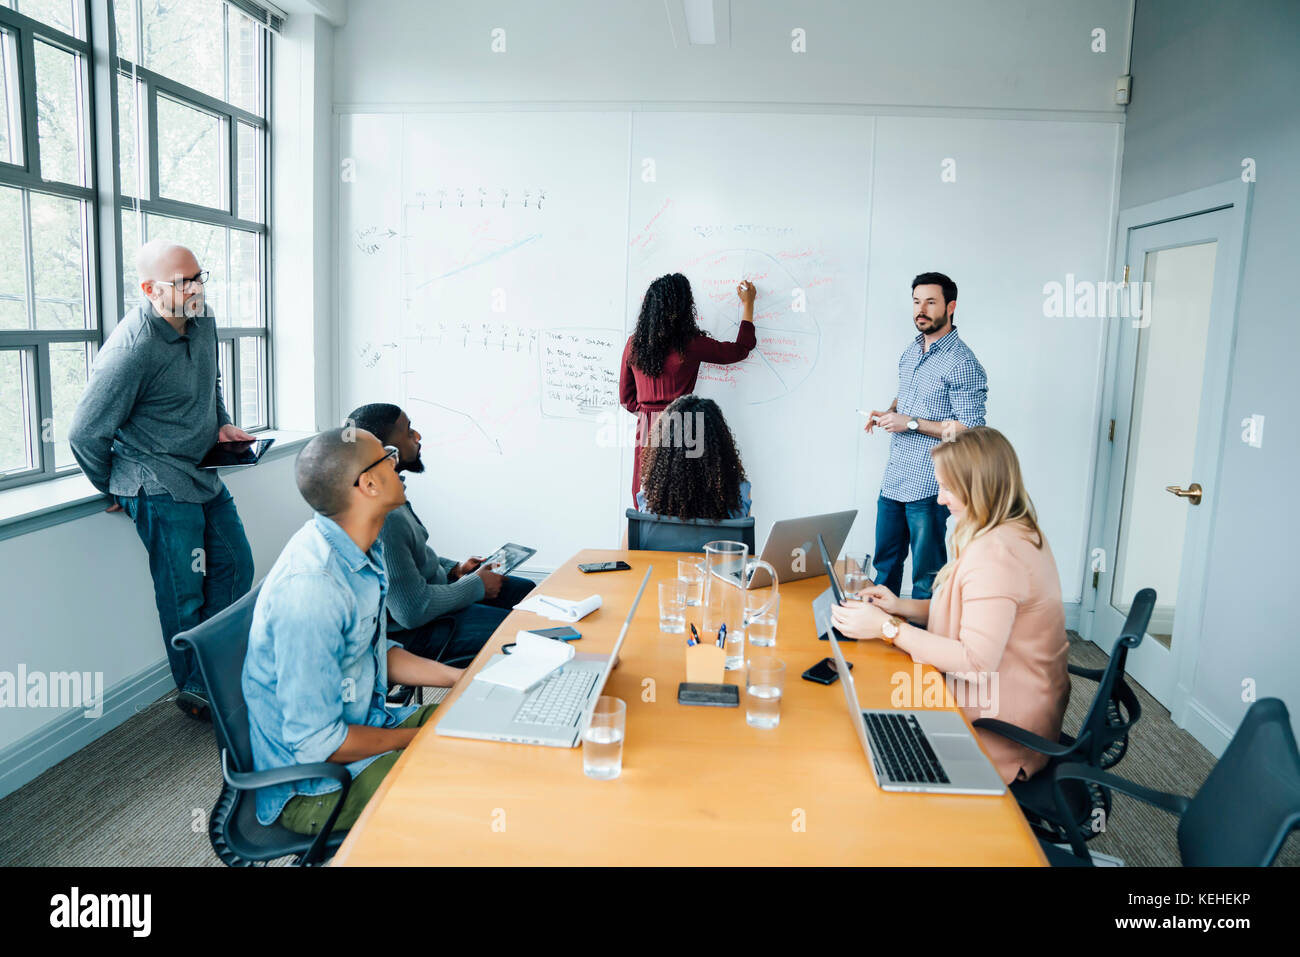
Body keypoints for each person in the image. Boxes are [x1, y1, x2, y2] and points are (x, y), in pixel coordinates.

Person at [242, 427, 465, 835]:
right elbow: (319, 743)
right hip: (319, 787)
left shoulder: (360, 546)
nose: (398, 464)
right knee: (471, 787)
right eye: (388, 457)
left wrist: (462, 679)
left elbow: (375, 653)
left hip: (373, 727)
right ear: (368, 483)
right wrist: (419, 738)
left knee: (485, 730)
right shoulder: (314, 587)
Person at [69, 240, 255, 720]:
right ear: (150, 289)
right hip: (155, 482)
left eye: (199, 276)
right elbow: (86, 431)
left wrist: (221, 424)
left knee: (237, 567)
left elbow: (210, 382)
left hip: (201, 470)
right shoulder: (132, 350)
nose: (195, 288)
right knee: (184, 592)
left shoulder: (202, 317)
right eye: (183, 281)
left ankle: (213, 676)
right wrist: (111, 486)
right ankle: (198, 692)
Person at [830, 427, 1070, 785]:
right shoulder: (1010, 530)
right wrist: (901, 607)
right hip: (1015, 703)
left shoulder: (997, 554)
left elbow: (974, 662)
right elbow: (974, 610)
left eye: (946, 488)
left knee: (854, 745)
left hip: (1000, 729)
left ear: (978, 487)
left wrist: (887, 629)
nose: (939, 499)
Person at [346, 403, 535, 665]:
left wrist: (455, 569)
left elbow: (412, 556)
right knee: (517, 633)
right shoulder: (384, 516)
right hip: (411, 633)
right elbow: (411, 611)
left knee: (525, 592)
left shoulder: (389, 492)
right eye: (408, 430)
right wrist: (476, 585)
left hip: (426, 605)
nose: (418, 436)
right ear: (386, 450)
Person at [863, 271, 987, 600]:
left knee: (925, 576)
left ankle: (924, 647)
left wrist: (912, 423)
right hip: (895, 479)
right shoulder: (912, 349)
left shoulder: (962, 363)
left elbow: (971, 430)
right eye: (917, 302)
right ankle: (879, 636)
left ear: (950, 307)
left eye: (931, 302)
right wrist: (889, 413)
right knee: (884, 566)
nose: (921, 309)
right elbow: (907, 399)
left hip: (930, 486)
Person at [619, 273, 757, 504]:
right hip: (684, 425)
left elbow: (626, 398)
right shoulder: (691, 344)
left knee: (646, 498)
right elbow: (740, 349)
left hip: (647, 428)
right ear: (684, 307)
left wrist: (648, 413)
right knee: (683, 498)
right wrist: (749, 303)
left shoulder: (634, 344)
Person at [636, 395, 751, 520]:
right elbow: (745, 538)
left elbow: (632, 539)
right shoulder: (739, 494)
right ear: (721, 446)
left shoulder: (650, 496)